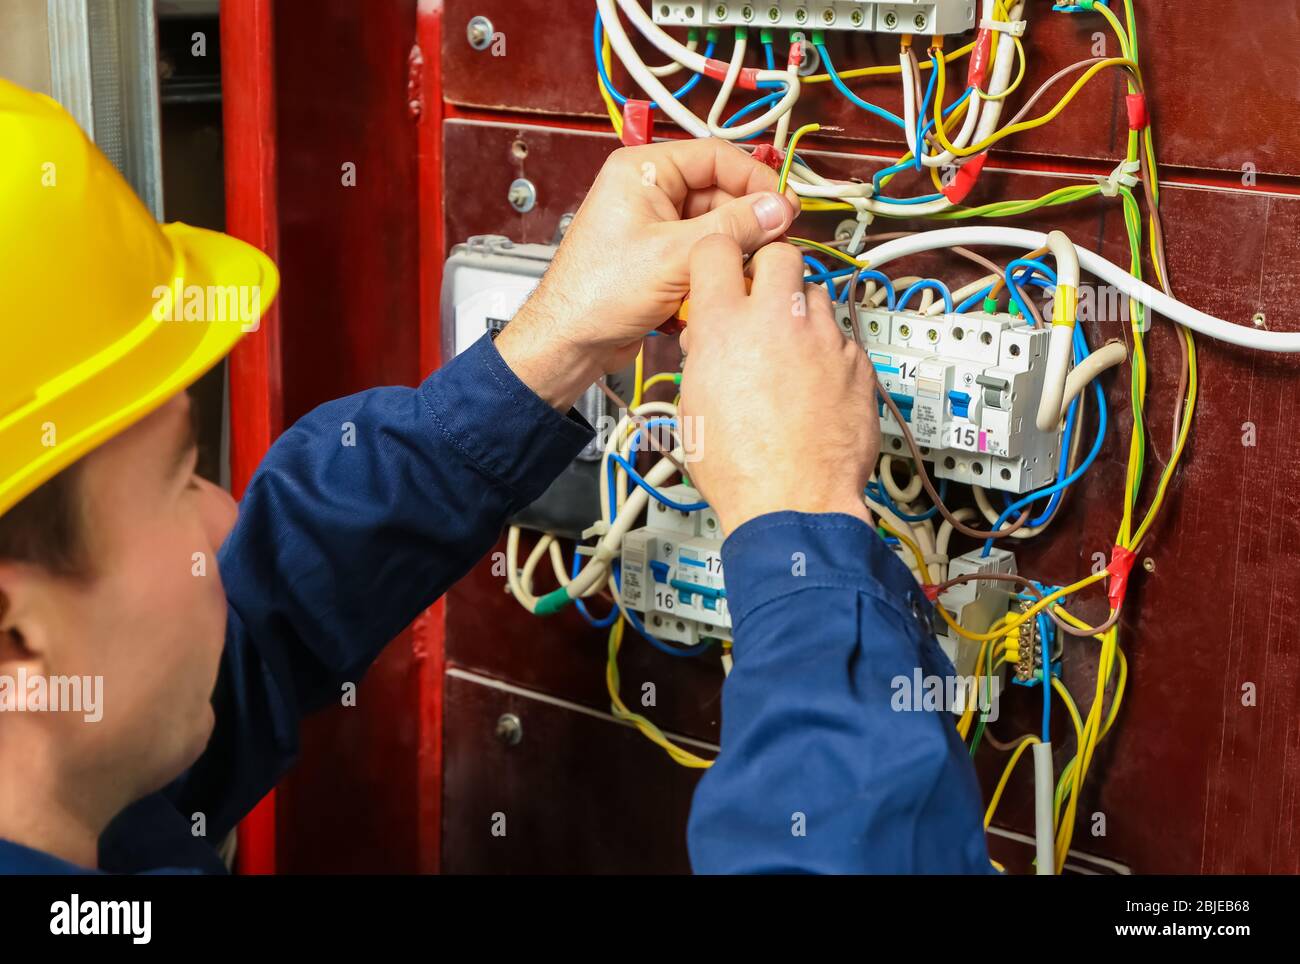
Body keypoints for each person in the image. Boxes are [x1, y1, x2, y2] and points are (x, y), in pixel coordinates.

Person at [0, 77, 986, 875]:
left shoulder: (87, 767)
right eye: (181, 480)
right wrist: (802, 512)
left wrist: (551, 346)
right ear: (16, 633)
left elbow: (258, 613)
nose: (220, 523)